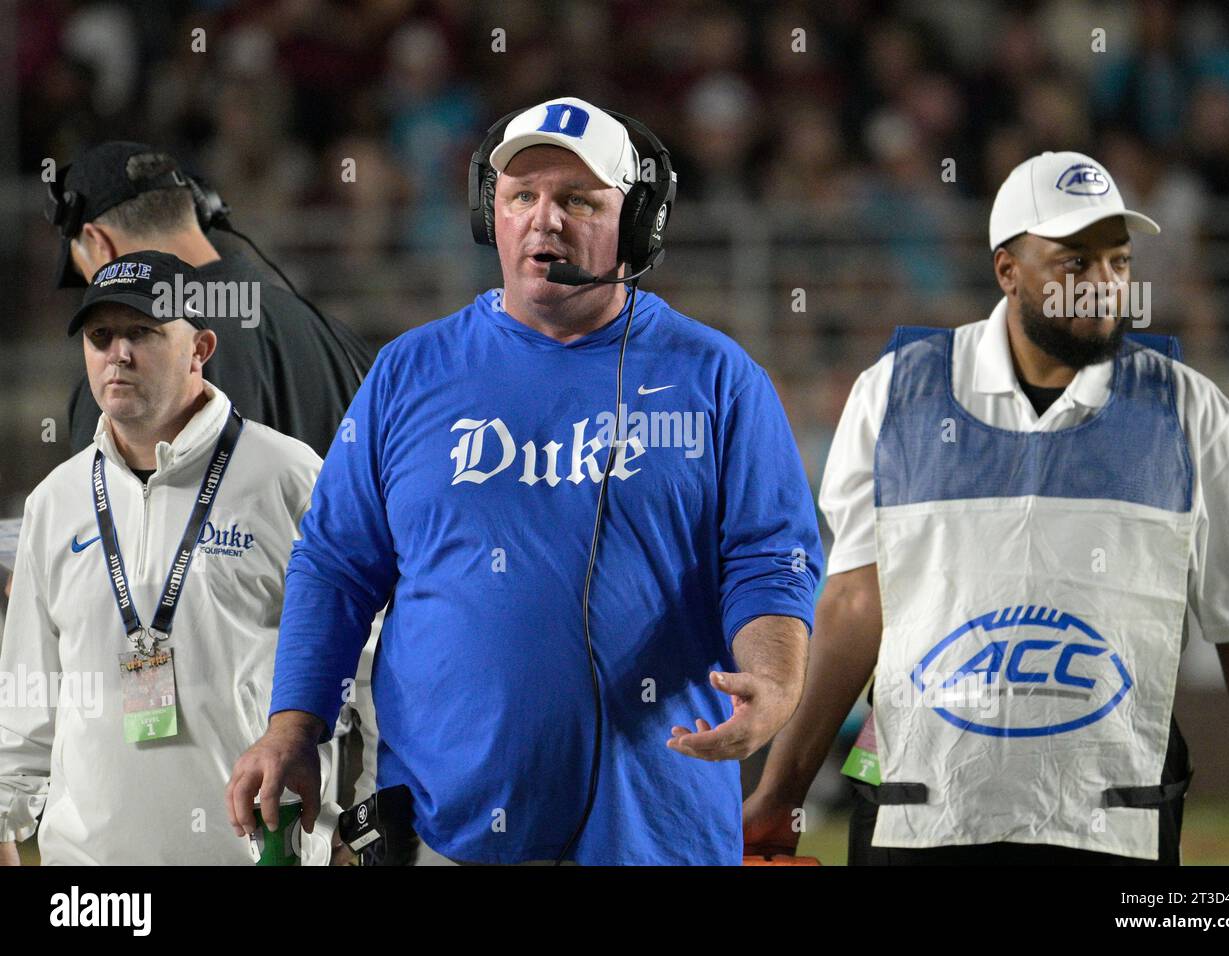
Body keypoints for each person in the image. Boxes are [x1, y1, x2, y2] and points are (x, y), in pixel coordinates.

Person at [226, 97, 823, 865]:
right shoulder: (408, 374)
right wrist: (292, 727)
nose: (545, 220)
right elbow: (337, 567)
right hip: (449, 833)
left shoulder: (719, 380)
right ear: (491, 215)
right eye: (521, 197)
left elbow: (768, 558)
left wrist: (772, 684)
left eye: (578, 199)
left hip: (657, 831)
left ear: (638, 225)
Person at [746, 151, 1229, 865]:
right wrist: (784, 786)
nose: (1104, 285)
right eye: (1076, 262)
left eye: (1119, 262)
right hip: (914, 813)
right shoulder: (891, 394)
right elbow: (854, 604)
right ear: (1007, 270)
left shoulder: (1194, 414)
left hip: (1114, 822)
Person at [0, 252, 325, 864]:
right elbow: (24, 703)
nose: (116, 353)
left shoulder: (288, 477)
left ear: (200, 346)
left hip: (253, 854)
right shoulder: (56, 501)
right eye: (101, 336)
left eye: (142, 332)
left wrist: (354, 822)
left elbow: (359, 670)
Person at [47, 140, 374, 460]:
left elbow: (107, 511)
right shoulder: (333, 335)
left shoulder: (122, 373)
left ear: (100, 244)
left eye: (86, 274)